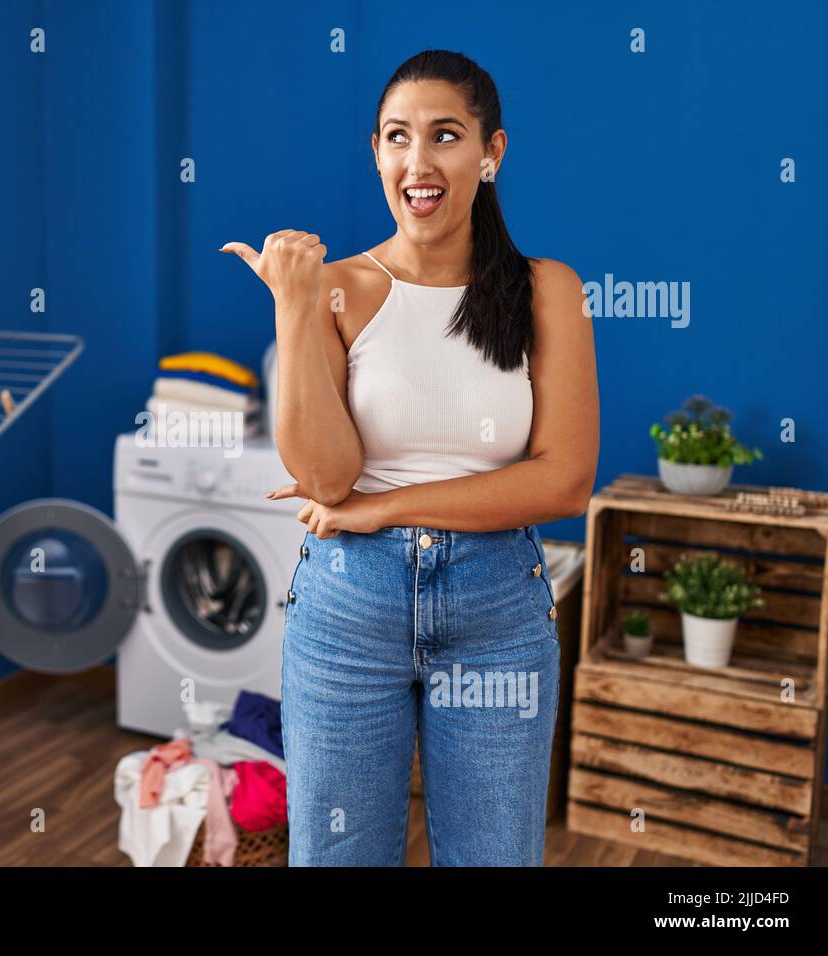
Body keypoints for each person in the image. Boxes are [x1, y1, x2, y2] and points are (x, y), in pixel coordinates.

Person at [220, 49, 599, 866]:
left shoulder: (549, 292)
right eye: (397, 137)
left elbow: (564, 480)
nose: (417, 162)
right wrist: (293, 305)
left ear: (491, 153)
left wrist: (386, 506)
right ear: (376, 153)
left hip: (498, 612)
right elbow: (325, 480)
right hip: (348, 611)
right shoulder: (336, 288)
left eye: (445, 136)